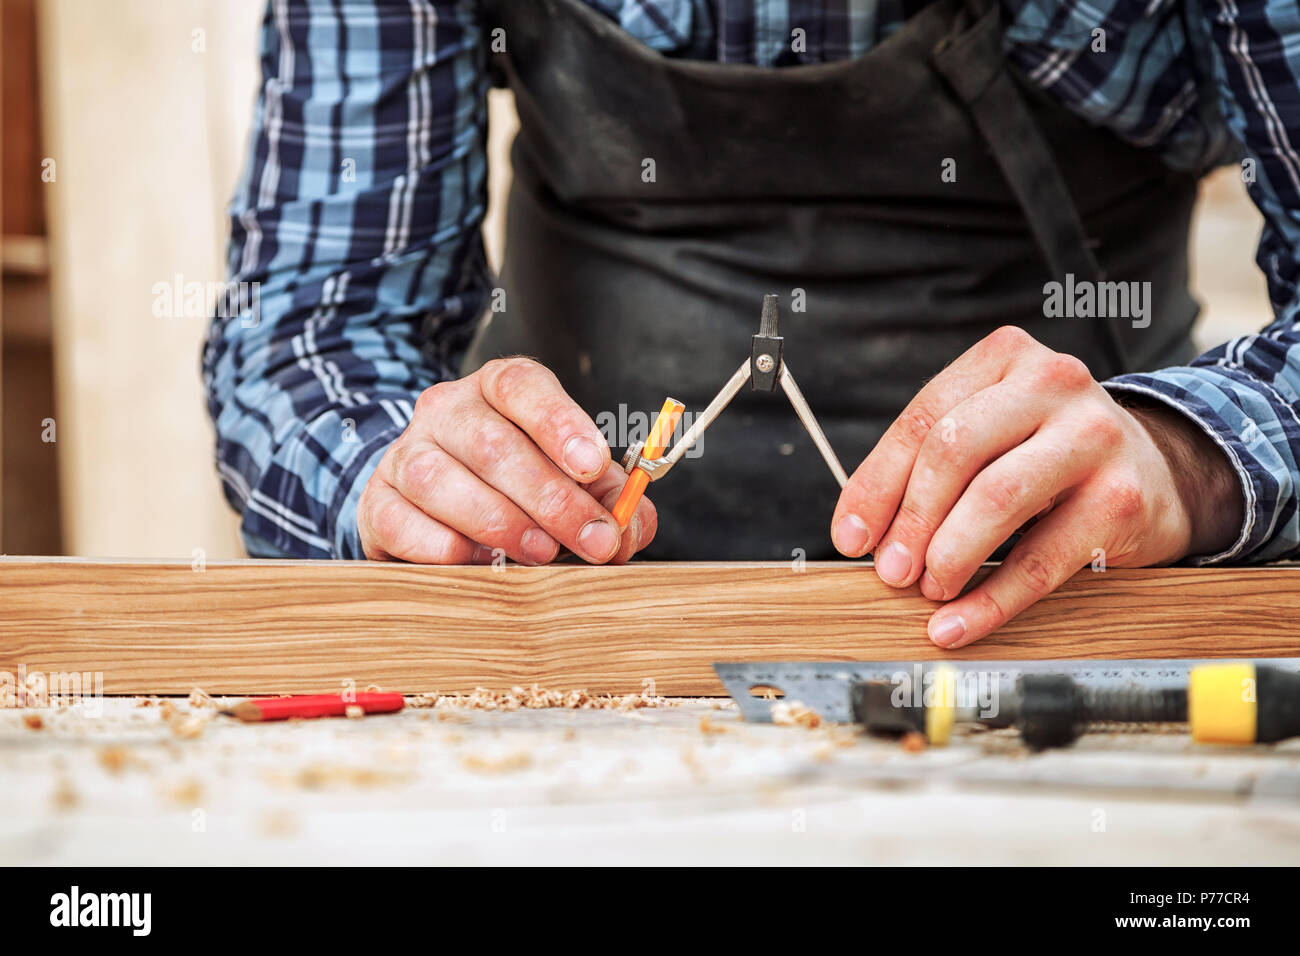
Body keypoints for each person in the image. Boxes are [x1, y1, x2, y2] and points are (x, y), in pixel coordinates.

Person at [204, 0, 1299, 649]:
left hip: (1068, 624)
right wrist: (399, 480)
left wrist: (1189, 458)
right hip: (579, 647)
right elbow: (313, 324)